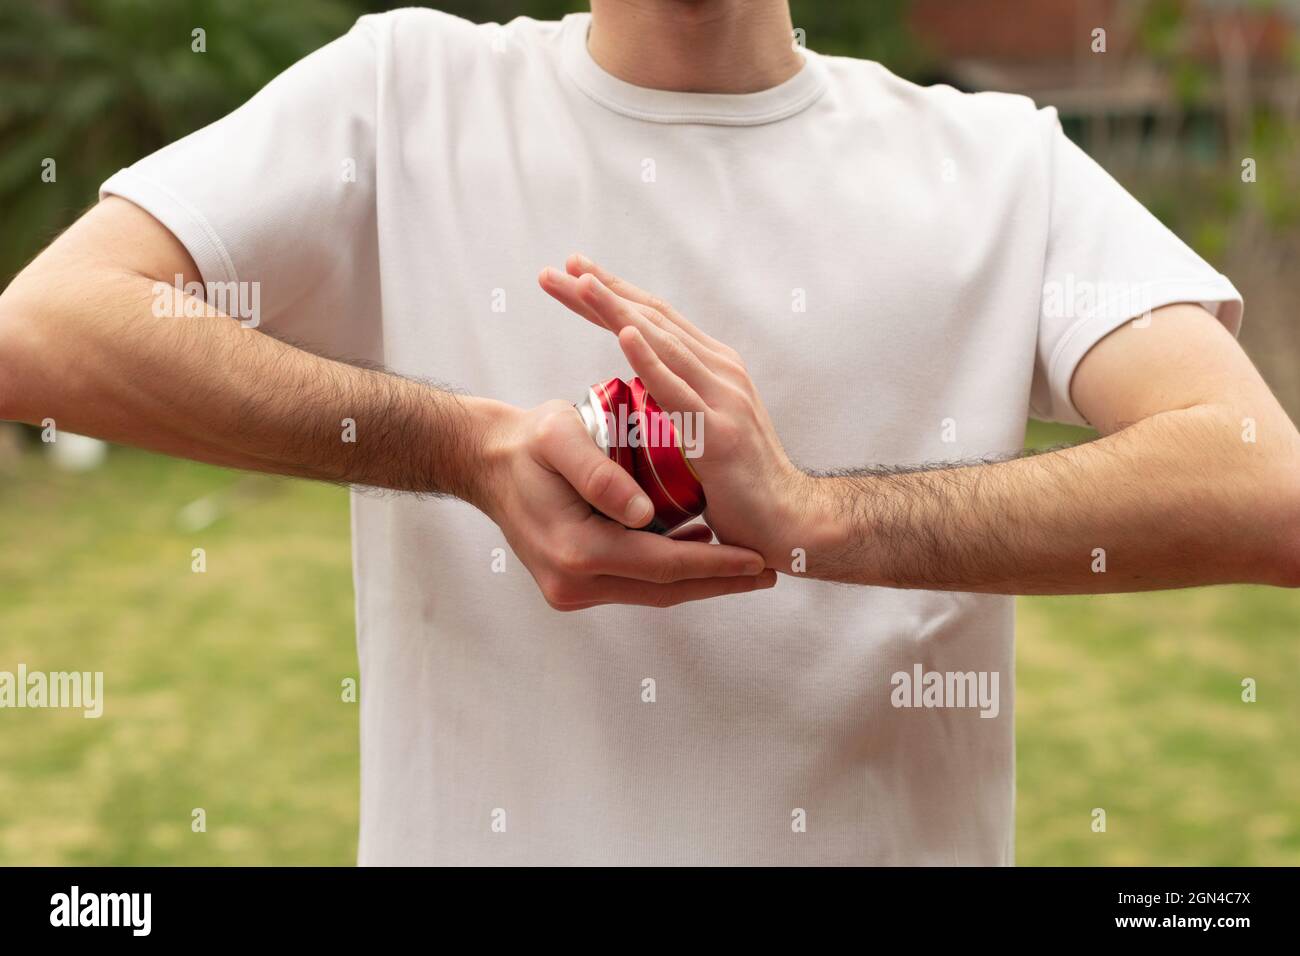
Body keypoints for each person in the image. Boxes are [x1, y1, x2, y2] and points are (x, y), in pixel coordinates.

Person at [0, 1, 1294, 866]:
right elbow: (45, 328)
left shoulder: (1001, 165)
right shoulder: (402, 97)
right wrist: (461, 446)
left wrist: (817, 518)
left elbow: (1263, 481)